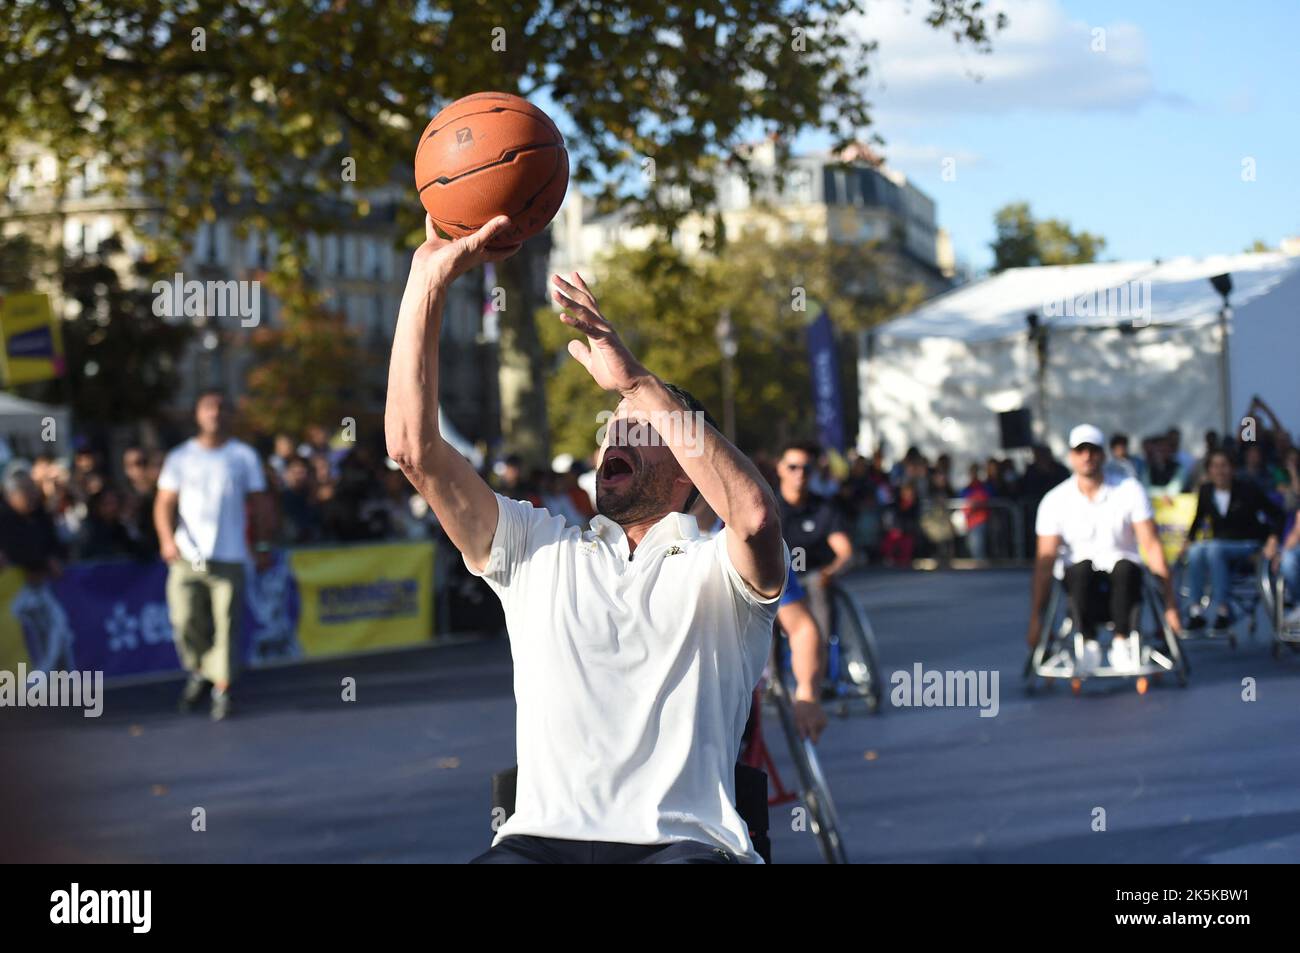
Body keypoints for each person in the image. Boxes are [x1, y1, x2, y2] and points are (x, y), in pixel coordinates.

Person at [386, 215, 787, 864]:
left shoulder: (721, 571)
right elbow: (413, 449)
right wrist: (425, 284)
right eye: (613, 427)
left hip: (682, 845)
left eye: (642, 426)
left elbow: (754, 518)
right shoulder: (534, 548)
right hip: (538, 846)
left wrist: (635, 382)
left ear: (691, 466)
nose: (619, 434)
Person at [154, 390, 273, 721]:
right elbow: (164, 503)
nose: (215, 414)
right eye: (208, 408)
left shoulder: (243, 456)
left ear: (229, 415)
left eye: (221, 408)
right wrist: (167, 540)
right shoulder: (180, 457)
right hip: (186, 556)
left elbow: (260, 504)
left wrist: (262, 545)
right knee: (185, 619)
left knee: (227, 625)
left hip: (230, 555)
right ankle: (200, 670)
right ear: (197, 414)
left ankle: (222, 687)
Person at [1027, 425, 1180, 674]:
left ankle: (1122, 641)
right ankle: (1086, 642)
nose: (1087, 456)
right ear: (1071, 456)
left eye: (1093, 450)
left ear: (1103, 455)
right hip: (1079, 579)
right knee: (1082, 568)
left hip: (1125, 577)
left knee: (1124, 567)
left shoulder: (1130, 490)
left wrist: (1170, 607)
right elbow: (1045, 562)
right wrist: (1036, 618)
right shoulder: (1055, 500)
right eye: (1080, 450)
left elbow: (1151, 547)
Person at [1180, 448, 1283, 632]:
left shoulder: (1247, 489)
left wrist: (1273, 539)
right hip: (1219, 545)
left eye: (1224, 466)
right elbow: (1199, 518)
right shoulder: (1206, 490)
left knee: (1214, 549)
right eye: (1215, 466)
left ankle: (1223, 609)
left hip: (1247, 543)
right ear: (1209, 470)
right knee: (1196, 550)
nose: (1219, 471)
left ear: (1233, 468)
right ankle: (1196, 610)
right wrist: (1188, 541)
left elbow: (1277, 514)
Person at [774, 441, 854, 676]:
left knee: (820, 588)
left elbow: (845, 552)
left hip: (815, 577)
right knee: (766, 598)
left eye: (806, 469)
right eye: (793, 467)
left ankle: (822, 664)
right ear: (780, 468)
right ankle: (773, 675)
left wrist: (831, 571)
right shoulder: (769, 507)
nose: (800, 474)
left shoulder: (824, 509)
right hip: (781, 579)